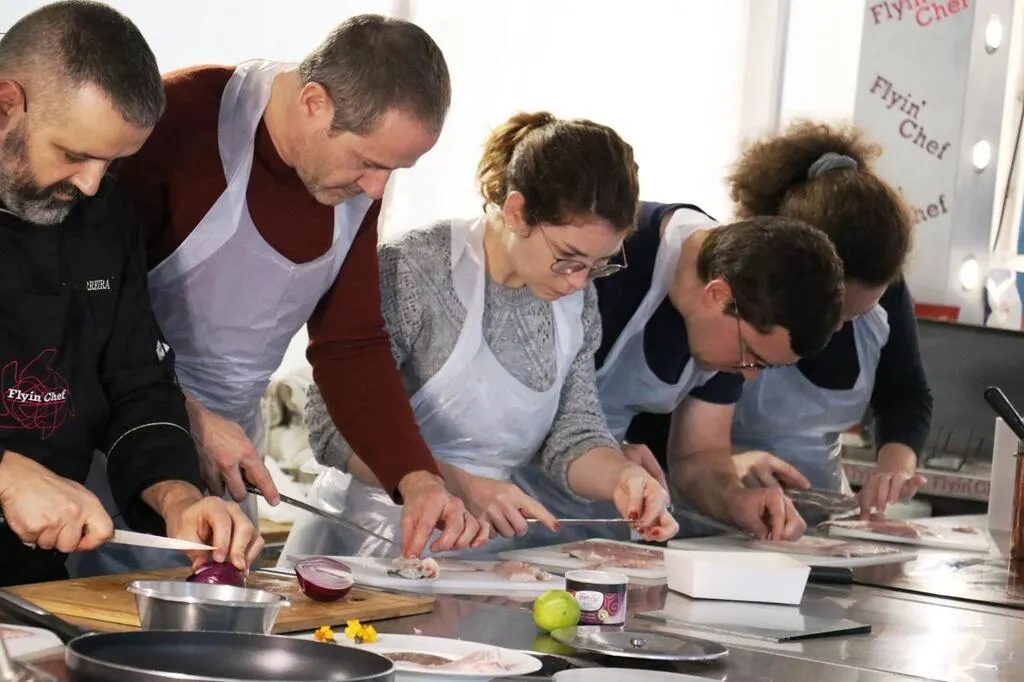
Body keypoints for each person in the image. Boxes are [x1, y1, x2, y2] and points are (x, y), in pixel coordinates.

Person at [93, 13, 484, 572]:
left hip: (232, 455)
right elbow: (91, 311)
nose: (375, 189)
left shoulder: (351, 181)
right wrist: (190, 418)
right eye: (370, 163)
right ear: (313, 102)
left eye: (394, 172)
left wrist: (416, 478)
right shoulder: (178, 121)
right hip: (118, 435)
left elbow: (350, 345)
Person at [283, 111, 679, 560]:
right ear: (517, 211)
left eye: (599, 265)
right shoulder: (416, 268)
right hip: (361, 543)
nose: (578, 282)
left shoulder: (575, 301)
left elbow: (574, 436)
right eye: (567, 258)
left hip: (473, 553)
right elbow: (330, 428)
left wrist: (622, 479)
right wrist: (462, 485)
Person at [0, 0, 260, 587]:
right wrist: (7, 475)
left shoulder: (104, 213)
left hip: (32, 575)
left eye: (110, 163)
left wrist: (178, 499)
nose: (91, 186)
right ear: (5, 105)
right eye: (74, 155)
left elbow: (137, 382)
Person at [510, 196, 847, 545]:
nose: (748, 376)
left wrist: (736, 499)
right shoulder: (605, 257)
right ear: (717, 295)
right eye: (751, 358)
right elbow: (503, 405)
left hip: (593, 528)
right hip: (495, 505)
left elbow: (698, 456)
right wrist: (599, 455)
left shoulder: (746, 290)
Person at [727, 121, 932, 519]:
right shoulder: (737, 283)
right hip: (715, 515)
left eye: (860, 314)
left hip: (824, 519)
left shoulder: (882, 287)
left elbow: (905, 395)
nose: (839, 329)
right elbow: (663, 419)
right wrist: (725, 461)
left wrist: (895, 466)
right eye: (838, 312)